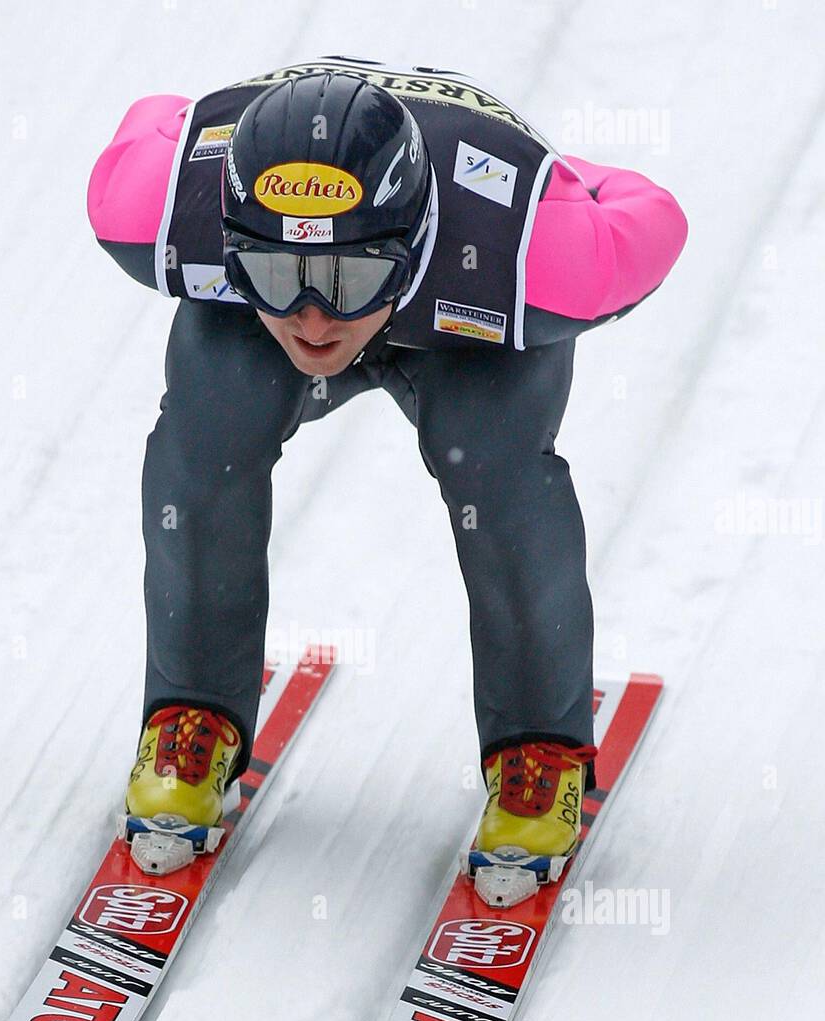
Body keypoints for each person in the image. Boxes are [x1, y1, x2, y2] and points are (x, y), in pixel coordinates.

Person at [87, 58, 687, 872]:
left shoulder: (540, 255)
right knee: (206, 436)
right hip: (326, 292)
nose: (312, 319)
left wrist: (551, 179)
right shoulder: (155, 205)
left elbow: (647, 213)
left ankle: (538, 752)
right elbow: (162, 121)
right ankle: (189, 717)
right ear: (226, 235)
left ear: (407, 243)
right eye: (275, 272)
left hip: (464, 317)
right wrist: (317, 278)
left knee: (496, 474)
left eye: (348, 277)